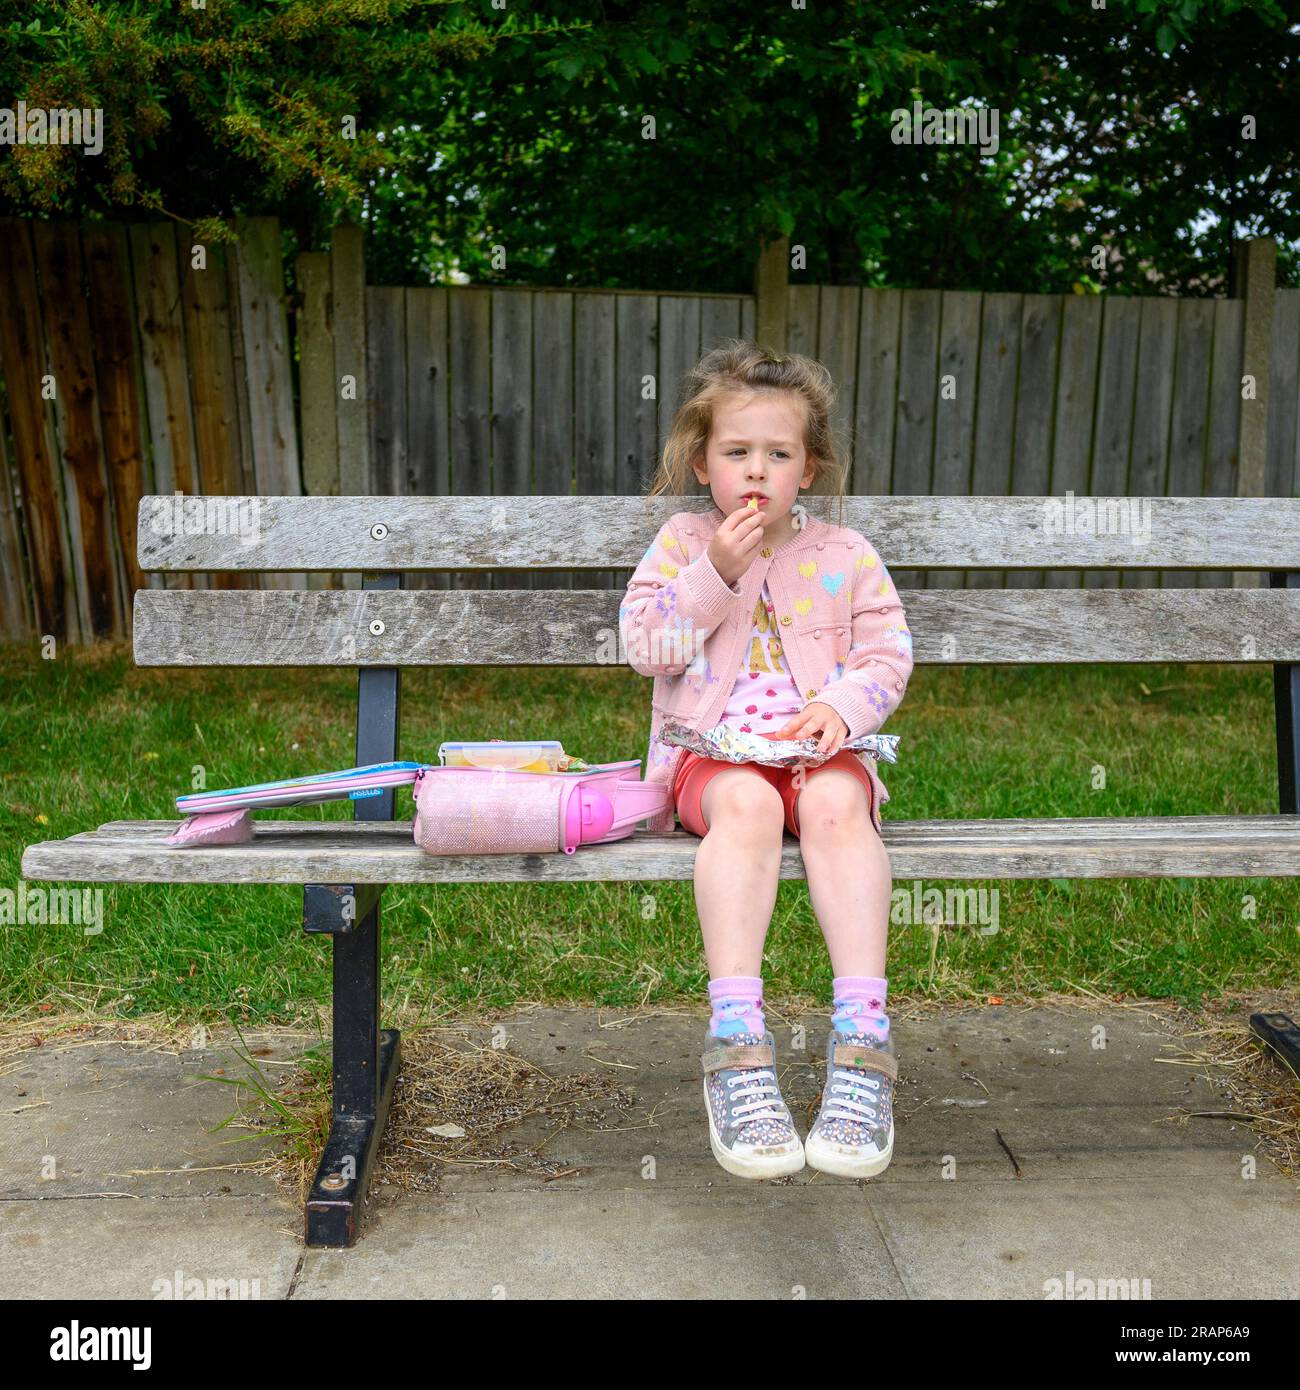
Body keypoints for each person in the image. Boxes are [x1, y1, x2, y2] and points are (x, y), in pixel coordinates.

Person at [618, 339, 913, 1180]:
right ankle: (738, 1042)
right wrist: (717, 570)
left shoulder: (845, 554)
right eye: (736, 452)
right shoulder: (684, 544)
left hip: (819, 754)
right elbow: (648, 646)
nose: (756, 471)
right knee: (746, 806)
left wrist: (842, 707)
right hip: (713, 760)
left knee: (835, 807)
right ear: (702, 463)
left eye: (778, 454)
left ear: (808, 470)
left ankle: (862, 1042)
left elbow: (887, 654)